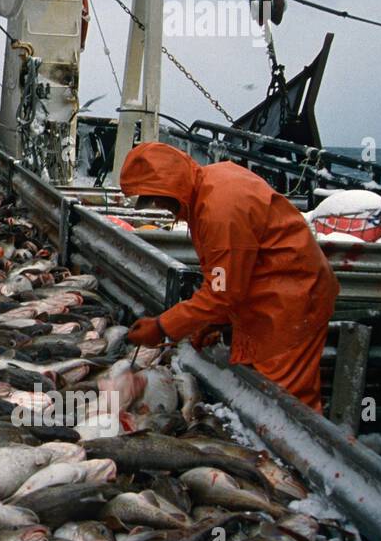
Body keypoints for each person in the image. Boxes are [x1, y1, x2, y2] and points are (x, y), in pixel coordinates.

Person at [120, 142, 339, 410]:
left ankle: (303, 452)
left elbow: (222, 290)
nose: (158, 204)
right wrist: (212, 321)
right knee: (262, 393)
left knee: (285, 405)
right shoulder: (209, 185)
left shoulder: (219, 209)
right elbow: (228, 275)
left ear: (171, 183)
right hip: (269, 296)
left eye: (155, 196)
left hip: (292, 302)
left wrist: (163, 327)